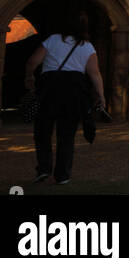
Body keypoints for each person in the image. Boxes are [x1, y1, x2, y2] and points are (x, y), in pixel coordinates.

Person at [24, 11, 106, 186]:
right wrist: (101, 95)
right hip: (74, 93)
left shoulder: (53, 40)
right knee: (66, 135)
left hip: (50, 90)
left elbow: (32, 62)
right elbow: (95, 74)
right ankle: (62, 175)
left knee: (42, 131)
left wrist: (29, 77)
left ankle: (44, 168)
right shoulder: (87, 47)